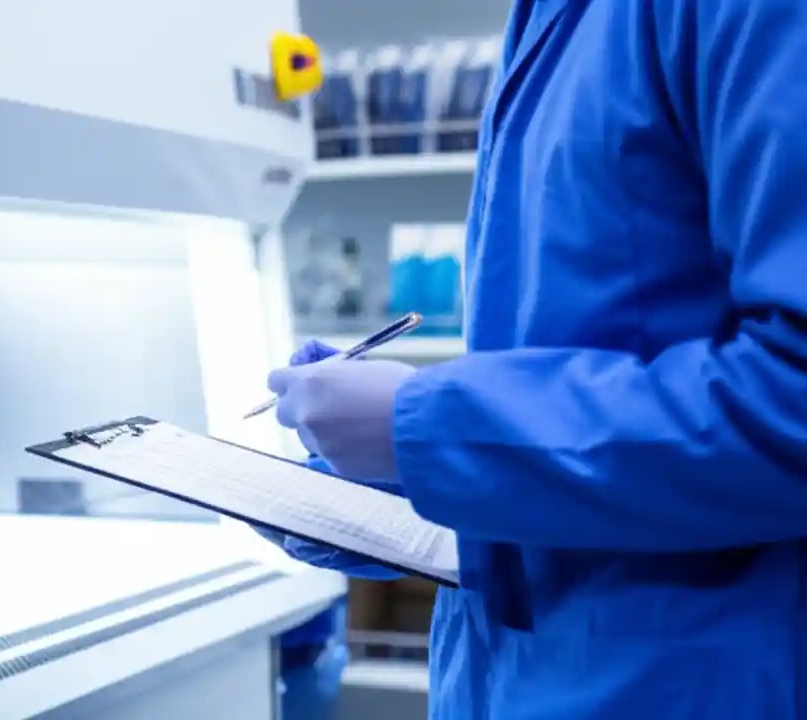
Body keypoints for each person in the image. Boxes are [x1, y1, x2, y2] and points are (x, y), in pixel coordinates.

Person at [264, 1, 807, 717]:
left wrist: (428, 426)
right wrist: (405, 482)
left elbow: (790, 402)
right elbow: (588, 399)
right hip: (529, 675)